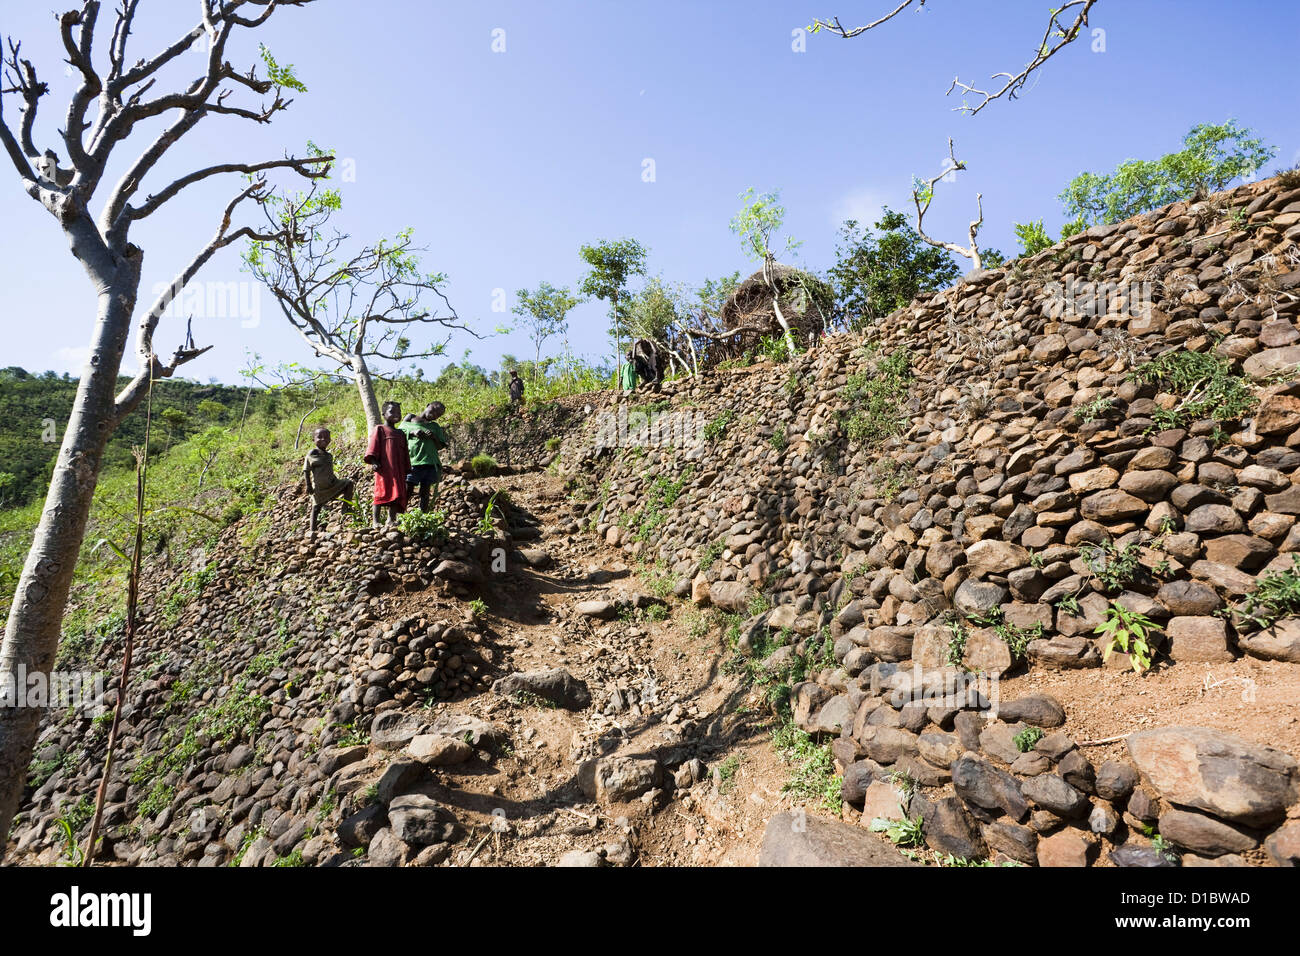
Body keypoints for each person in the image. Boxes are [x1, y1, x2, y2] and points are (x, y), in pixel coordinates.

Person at [302, 426, 356, 533]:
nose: (323, 439)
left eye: (326, 437)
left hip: (332, 484)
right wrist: (308, 485)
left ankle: (345, 509)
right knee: (316, 508)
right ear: (314, 439)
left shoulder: (329, 455)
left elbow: (329, 471)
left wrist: (335, 481)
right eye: (319, 437)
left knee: (349, 484)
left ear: (330, 440)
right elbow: (306, 470)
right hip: (319, 487)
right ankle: (312, 531)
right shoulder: (312, 453)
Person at [364, 401, 410, 526]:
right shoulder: (380, 429)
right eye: (392, 412)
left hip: (398, 470)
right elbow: (373, 446)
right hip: (384, 469)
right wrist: (374, 461)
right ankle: (376, 521)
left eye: (398, 412)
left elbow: (405, 451)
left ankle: (391, 519)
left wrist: (406, 468)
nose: (396, 414)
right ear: (383, 414)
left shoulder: (401, 433)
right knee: (380, 493)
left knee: (397, 493)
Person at [400, 401, 450, 512]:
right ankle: (398, 514)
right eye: (434, 409)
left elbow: (439, 446)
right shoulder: (410, 418)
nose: (435, 414)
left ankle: (422, 515)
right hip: (412, 461)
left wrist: (433, 437)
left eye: (439, 414)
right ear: (427, 405)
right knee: (408, 489)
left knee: (425, 492)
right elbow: (399, 433)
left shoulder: (435, 427)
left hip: (430, 463)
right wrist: (413, 432)